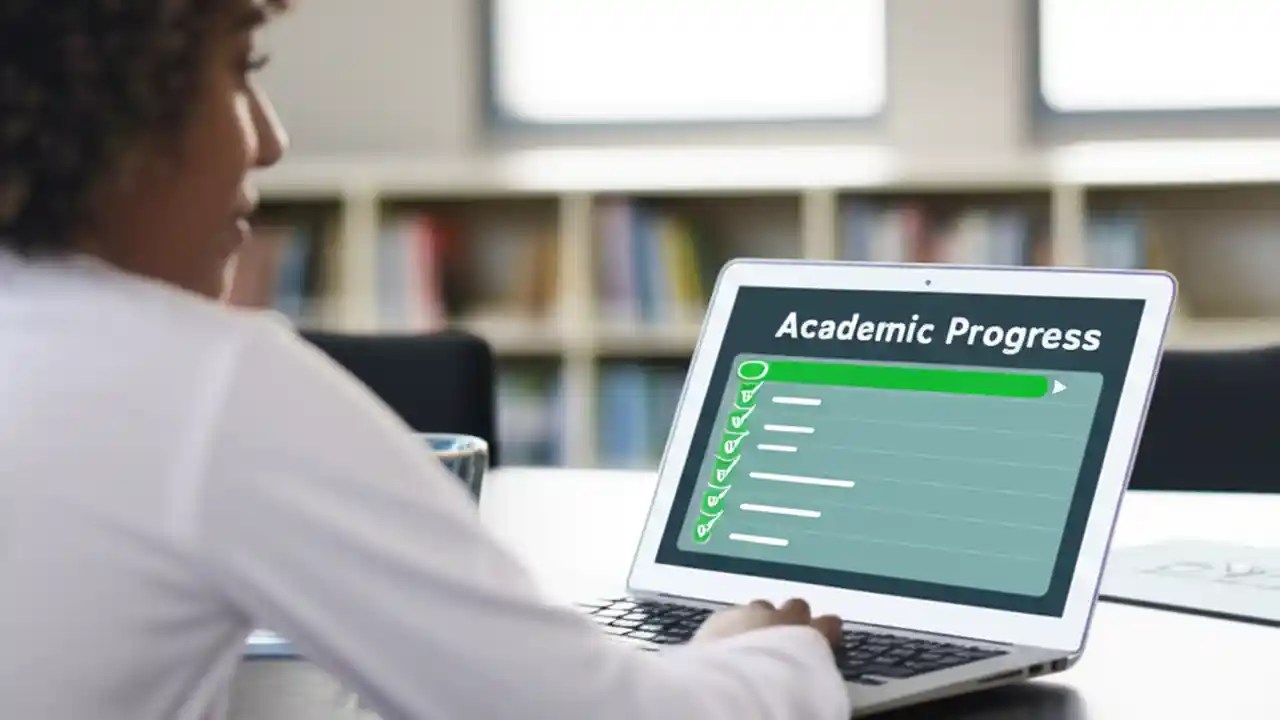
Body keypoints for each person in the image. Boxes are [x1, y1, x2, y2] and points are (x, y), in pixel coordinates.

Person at [0, 2, 850, 718]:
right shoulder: (201, 383)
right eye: (239, 68)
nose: (268, 139)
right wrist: (773, 658)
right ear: (108, 103)